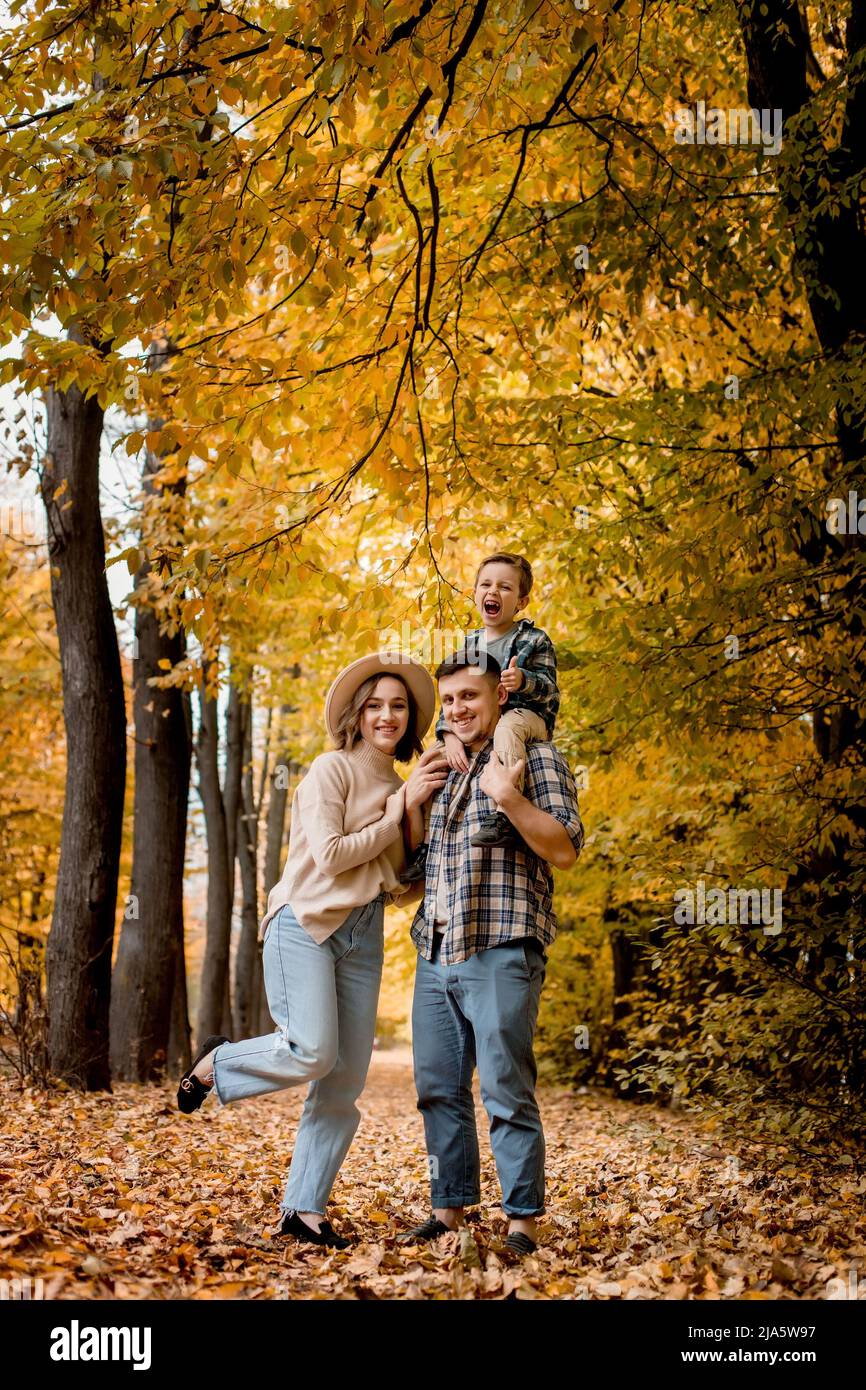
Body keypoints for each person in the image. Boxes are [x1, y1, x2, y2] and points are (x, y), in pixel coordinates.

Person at [176, 653, 447, 1249]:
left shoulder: (407, 788)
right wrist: (400, 809)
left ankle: (304, 1211)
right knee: (312, 1050)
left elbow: (394, 884)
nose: (387, 715)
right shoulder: (332, 770)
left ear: (410, 717)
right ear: (356, 714)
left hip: (363, 934)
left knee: (343, 1080)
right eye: (375, 704)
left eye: (398, 705)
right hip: (304, 923)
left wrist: (438, 855)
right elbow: (331, 855)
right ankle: (216, 1063)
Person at [399, 652, 583, 1257]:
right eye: (449, 700)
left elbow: (564, 849)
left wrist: (508, 797)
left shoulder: (536, 760)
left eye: (469, 697)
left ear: (498, 699)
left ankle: (523, 1221)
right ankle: (448, 1211)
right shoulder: (442, 769)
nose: (458, 709)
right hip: (436, 949)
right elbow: (414, 872)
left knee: (505, 1086)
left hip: (502, 943)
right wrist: (409, 804)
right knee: (437, 1088)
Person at [400, 551, 558, 880]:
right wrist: (448, 735)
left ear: (521, 601)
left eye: (504, 587)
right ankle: (424, 848)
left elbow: (550, 691)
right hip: (483, 724)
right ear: (475, 594)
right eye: (485, 584)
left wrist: (524, 681)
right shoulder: (470, 642)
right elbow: (454, 694)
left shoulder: (533, 639)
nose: (493, 592)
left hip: (524, 716)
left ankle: (504, 812)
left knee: (506, 732)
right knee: (434, 758)